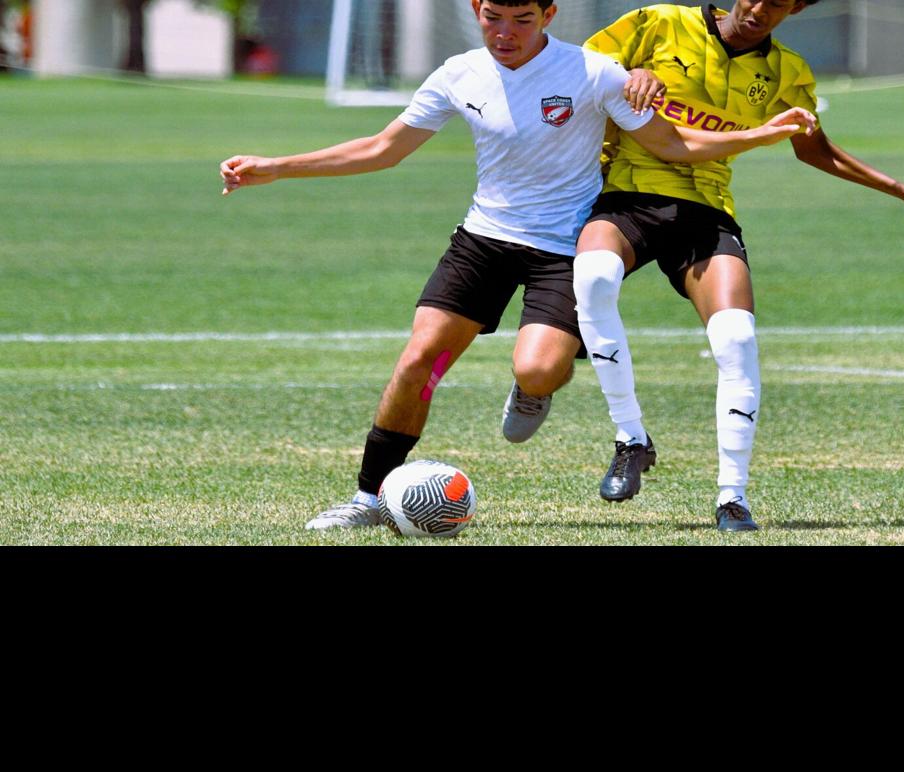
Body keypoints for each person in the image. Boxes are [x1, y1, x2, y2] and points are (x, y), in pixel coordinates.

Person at [217, 0, 812, 530]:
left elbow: (674, 144)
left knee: (537, 371)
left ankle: (534, 387)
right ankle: (369, 497)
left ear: (548, 15)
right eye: (493, 17)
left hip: (560, 250)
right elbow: (383, 148)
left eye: (522, 19)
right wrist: (278, 166)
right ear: (476, 9)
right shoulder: (458, 74)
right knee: (420, 359)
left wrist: (761, 134)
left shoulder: (589, 72)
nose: (506, 32)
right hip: (483, 240)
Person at [524, 0, 904, 532]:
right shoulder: (657, 24)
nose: (760, 9)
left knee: (736, 338)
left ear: (794, 9)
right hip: (623, 196)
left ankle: (733, 498)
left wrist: (902, 190)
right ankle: (631, 438)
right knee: (593, 277)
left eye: (778, 3)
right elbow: (574, 73)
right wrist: (627, 73)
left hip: (706, 210)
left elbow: (815, 149)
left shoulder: (787, 72)